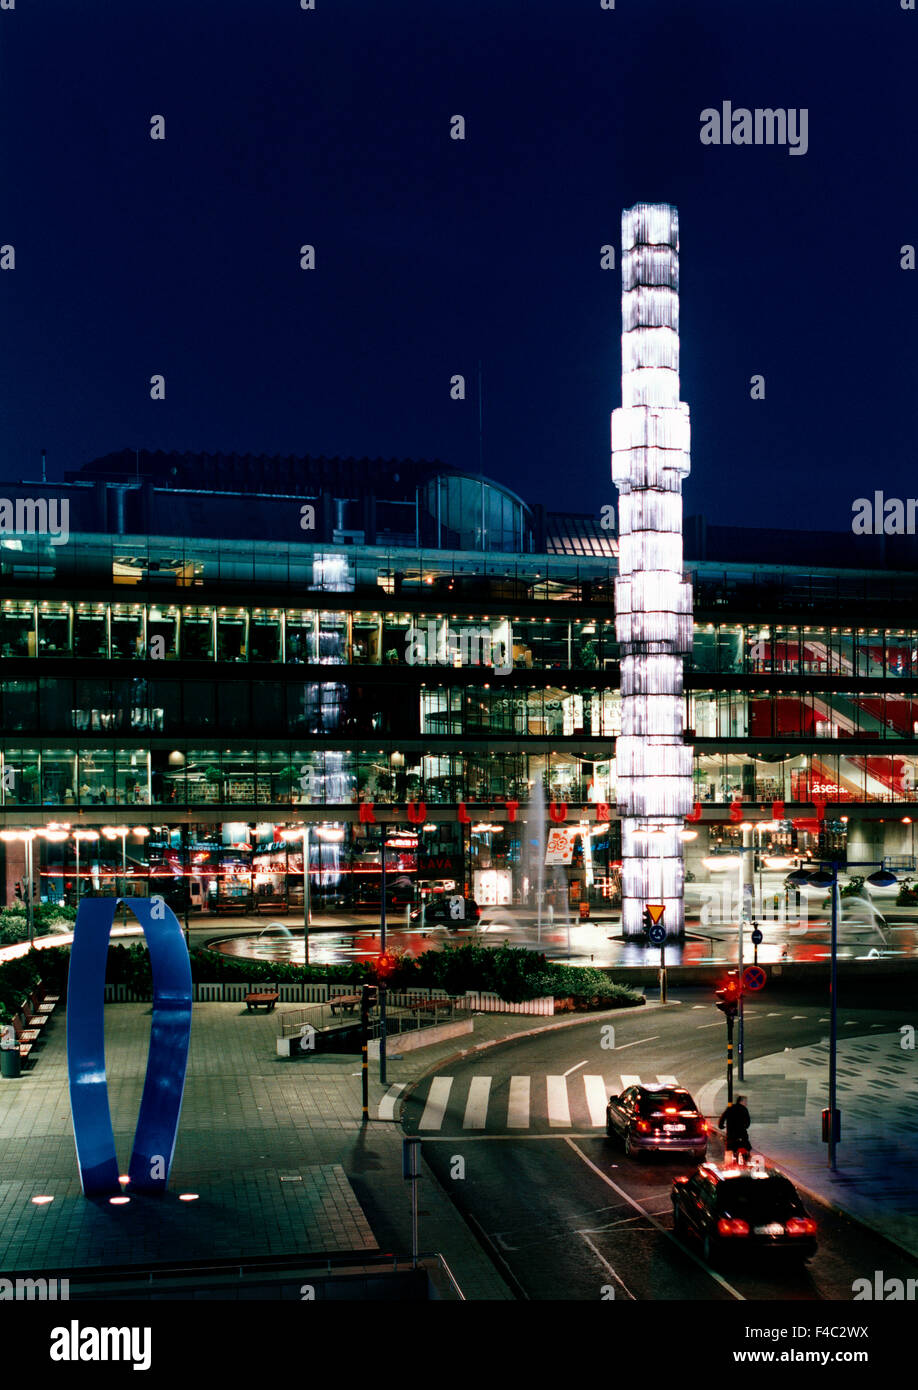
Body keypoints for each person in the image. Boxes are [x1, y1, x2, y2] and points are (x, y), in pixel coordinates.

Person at [718, 1095, 752, 1165]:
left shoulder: (730, 1108)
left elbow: (722, 1118)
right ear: (742, 1101)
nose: (746, 1103)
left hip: (731, 1134)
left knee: (729, 1148)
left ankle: (728, 1164)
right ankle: (746, 1160)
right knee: (747, 1147)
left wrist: (721, 1126)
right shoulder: (744, 1109)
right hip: (741, 1134)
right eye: (745, 1101)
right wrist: (744, 1126)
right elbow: (748, 1123)